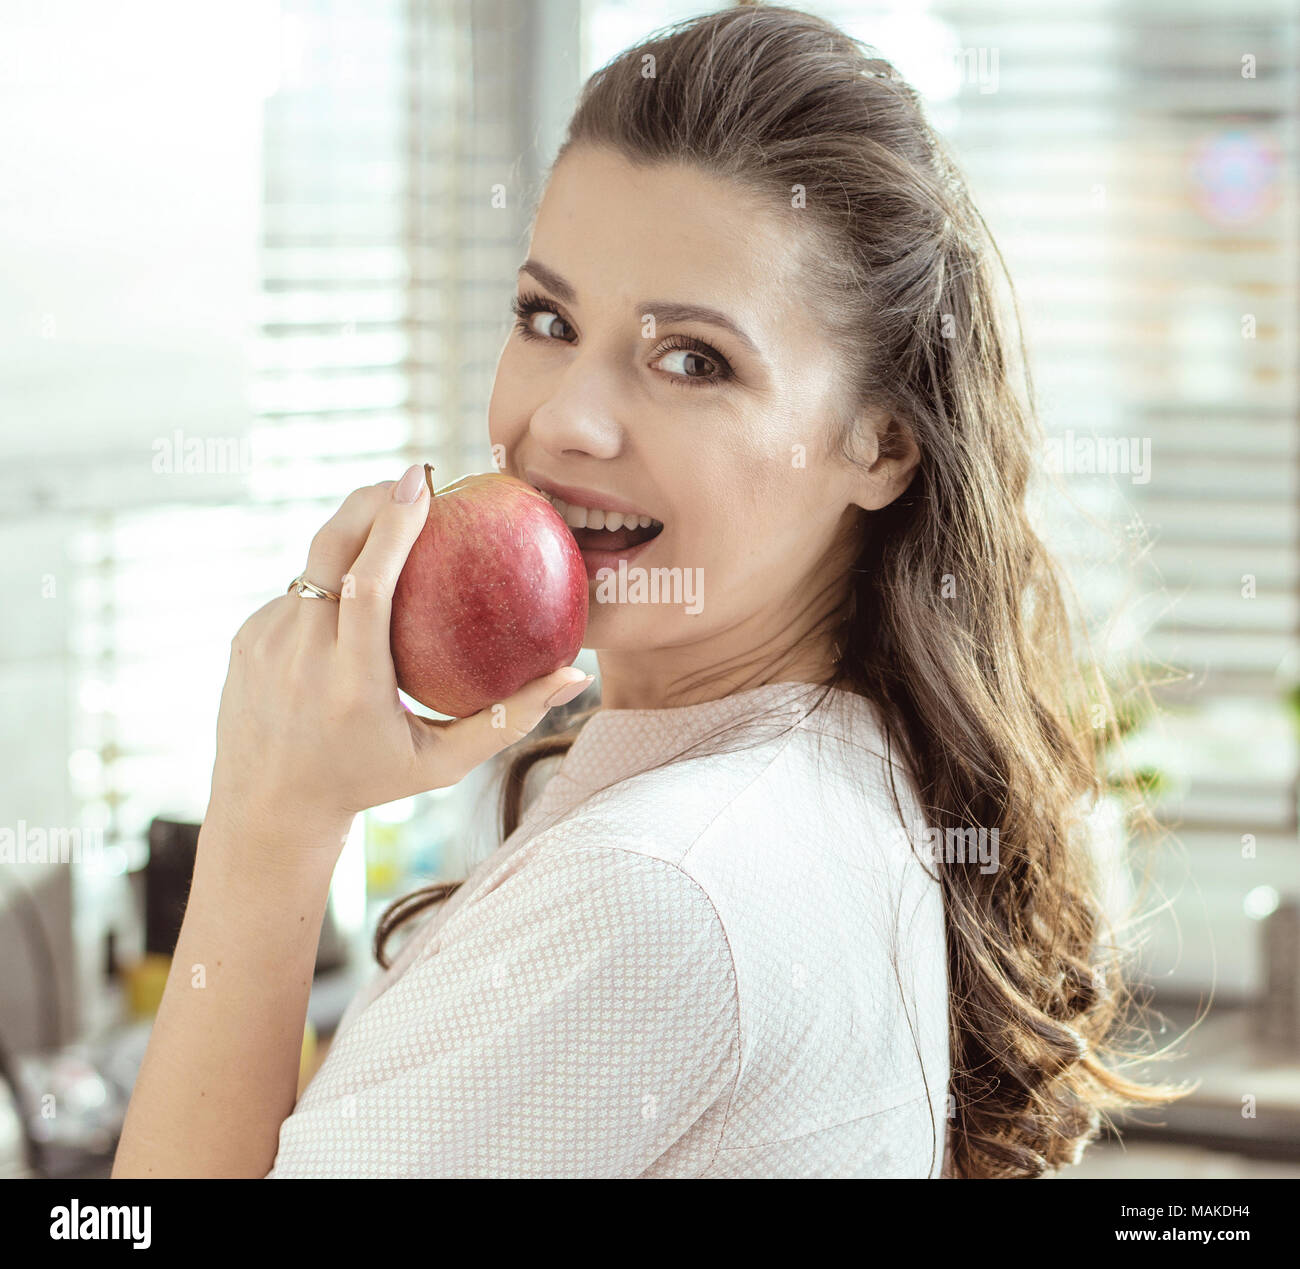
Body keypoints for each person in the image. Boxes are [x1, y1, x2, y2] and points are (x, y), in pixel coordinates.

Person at [113, 6, 1180, 1180]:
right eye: (546, 319)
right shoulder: (832, 775)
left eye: (693, 359)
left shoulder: (652, 891)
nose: (562, 418)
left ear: (881, 444)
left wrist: (269, 828)